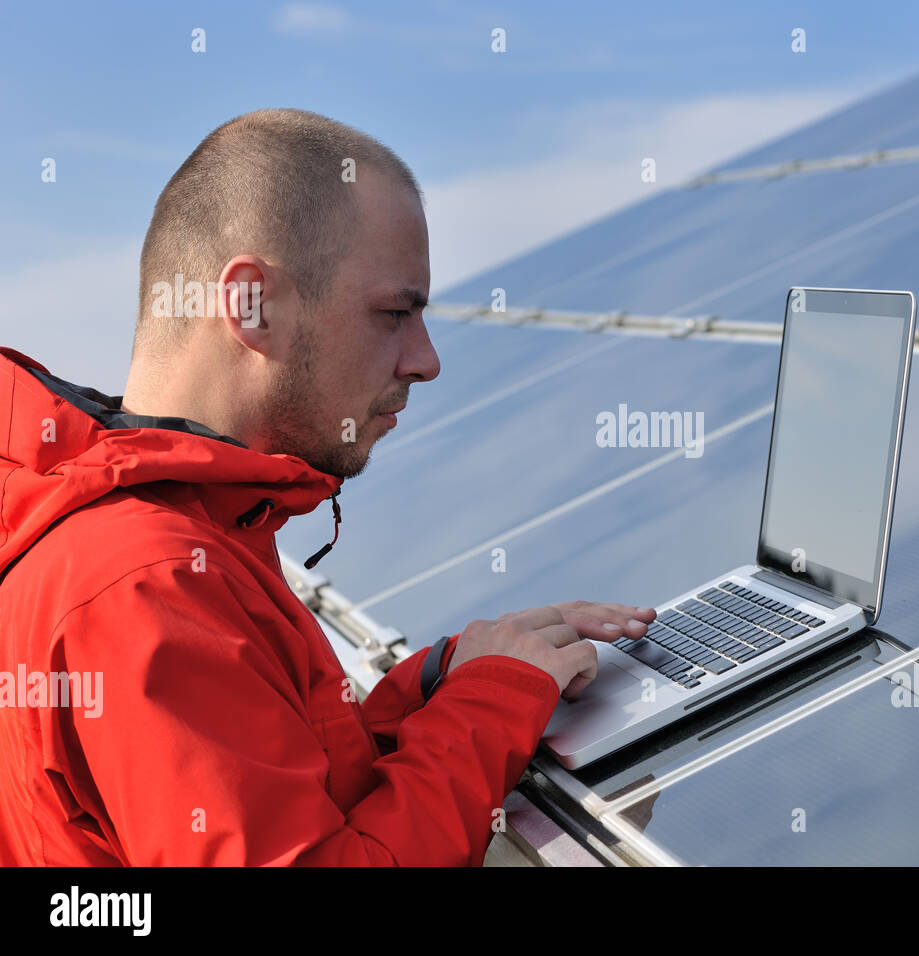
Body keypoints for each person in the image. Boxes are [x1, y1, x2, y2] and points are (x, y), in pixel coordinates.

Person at [0, 108, 655, 865]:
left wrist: (446, 682)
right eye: (394, 314)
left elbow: (292, 792)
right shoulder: (143, 587)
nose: (426, 360)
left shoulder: (176, 535)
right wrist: (495, 703)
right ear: (252, 305)